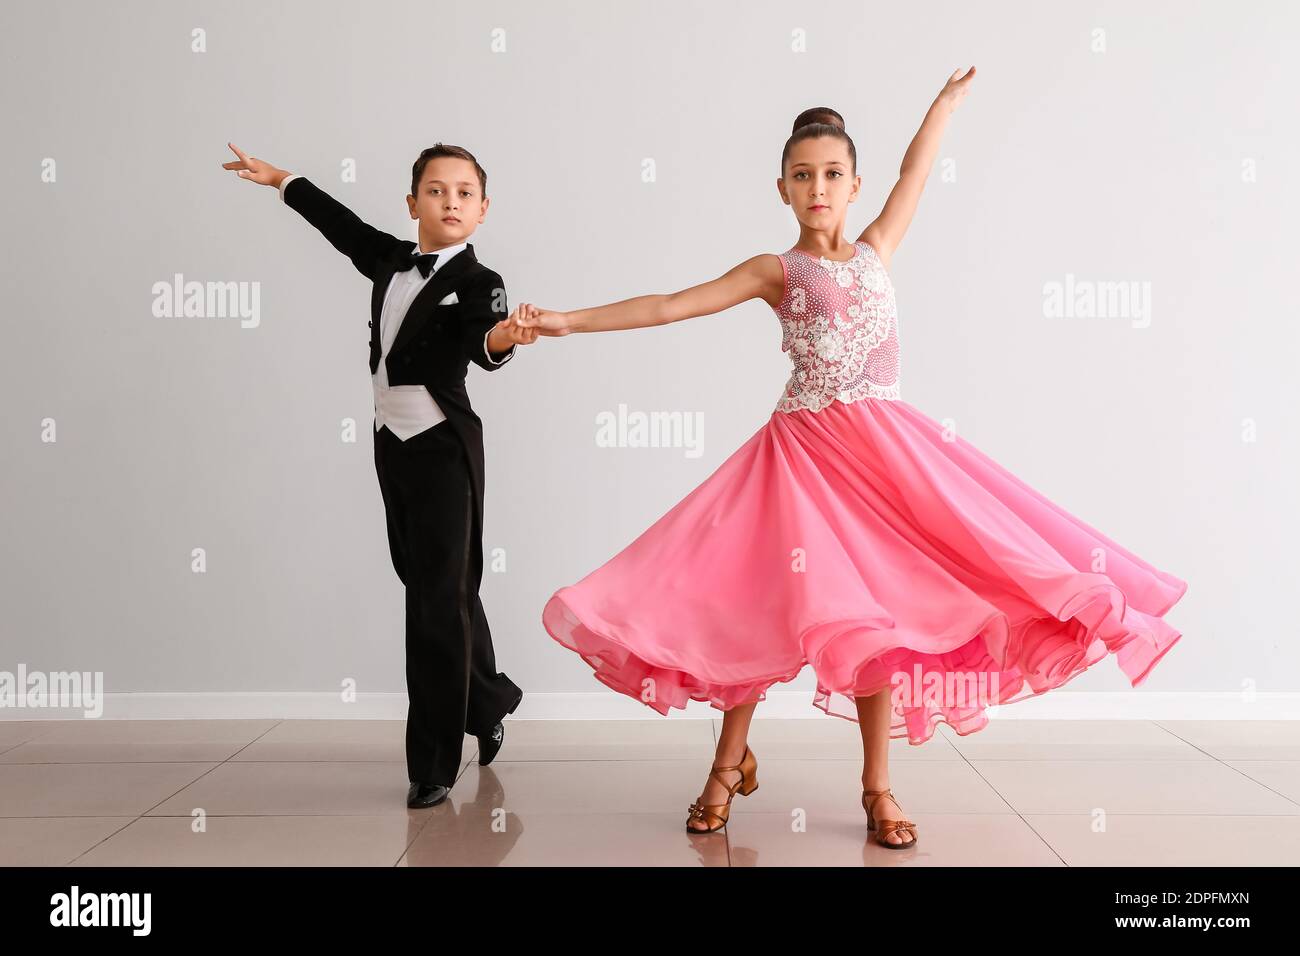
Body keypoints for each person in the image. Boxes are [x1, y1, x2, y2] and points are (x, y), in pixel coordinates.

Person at [515, 68, 1188, 846]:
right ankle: (725, 768)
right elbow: (672, 304)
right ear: (783, 189)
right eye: (802, 176)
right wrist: (566, 321)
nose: (818, 188)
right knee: (758, 609)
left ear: (855, 183)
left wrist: (939, 108)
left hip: (887, 465)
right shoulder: (778, 271)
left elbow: (918, 171)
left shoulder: (878, 248)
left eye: (832, 174)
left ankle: (876, 788)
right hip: (802, 464)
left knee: (881, 624)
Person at [222, 142, 538, 809]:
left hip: (445, 451)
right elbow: (339, 226)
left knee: (432, 603)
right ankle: (488, 701)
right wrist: (282, 180)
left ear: (482, 210)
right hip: (390, 448)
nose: (449, 201)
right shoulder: (391, 258)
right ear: (412, 203)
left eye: (462, 193)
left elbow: (485, 344)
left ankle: (434, 762)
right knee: (435, 585)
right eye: (435, 190)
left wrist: (507, 337)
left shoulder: (481, 283)